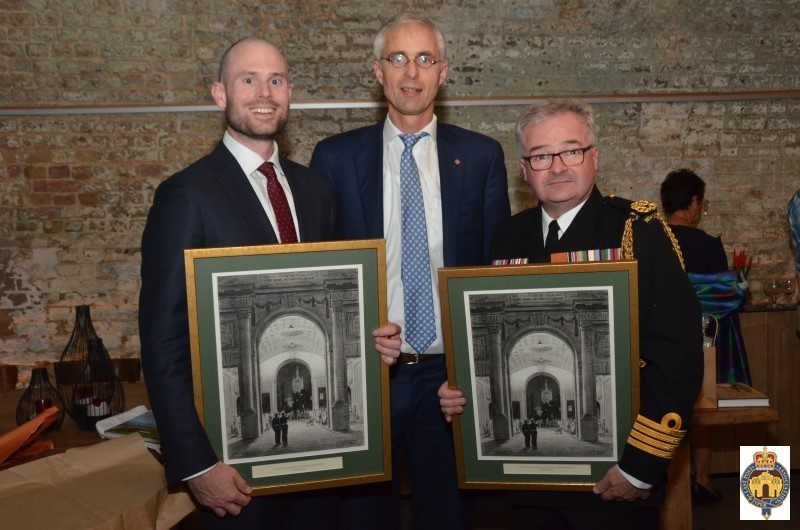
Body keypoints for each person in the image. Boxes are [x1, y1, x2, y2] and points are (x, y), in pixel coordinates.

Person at [439, 99, 703, 529]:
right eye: (541, 155)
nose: (558, 166)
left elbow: (678, 358)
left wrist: (640, 467)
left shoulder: (638, 231)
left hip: (614, 481)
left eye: (571, 150)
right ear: (524, 170)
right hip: (526, 488)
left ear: (594, 157)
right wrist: (461, 391)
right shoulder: (508, 236)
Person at [310, 13, 510, 530]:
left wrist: (474, 373)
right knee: (361, 517)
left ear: (443, 72)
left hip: (451, 382)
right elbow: (322, 274)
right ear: (378, 72)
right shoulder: (334, 158)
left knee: (447, 516)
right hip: (368, 378)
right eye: (398, 58)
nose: (411, 72)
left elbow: (495, 277)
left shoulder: (482, 156)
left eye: (425, 58)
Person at [139, 37, 338, 529]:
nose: (264, 93)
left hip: (323, 463)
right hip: (230, 464)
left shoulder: (315, 190)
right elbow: (162, 340)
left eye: (276, 80)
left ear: (289, 91)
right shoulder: (186, 195)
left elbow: (338, 296)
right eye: (247, 79)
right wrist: (196, 464)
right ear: (219, 94)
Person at [660, 169, 749, 506]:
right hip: (706, 344)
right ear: (694, 203)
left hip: (663, 344)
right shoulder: (709, 245)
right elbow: (721, 300)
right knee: (705, 409)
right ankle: (703, 480)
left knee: (665, 411)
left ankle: (671, 487)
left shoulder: (653, 241)